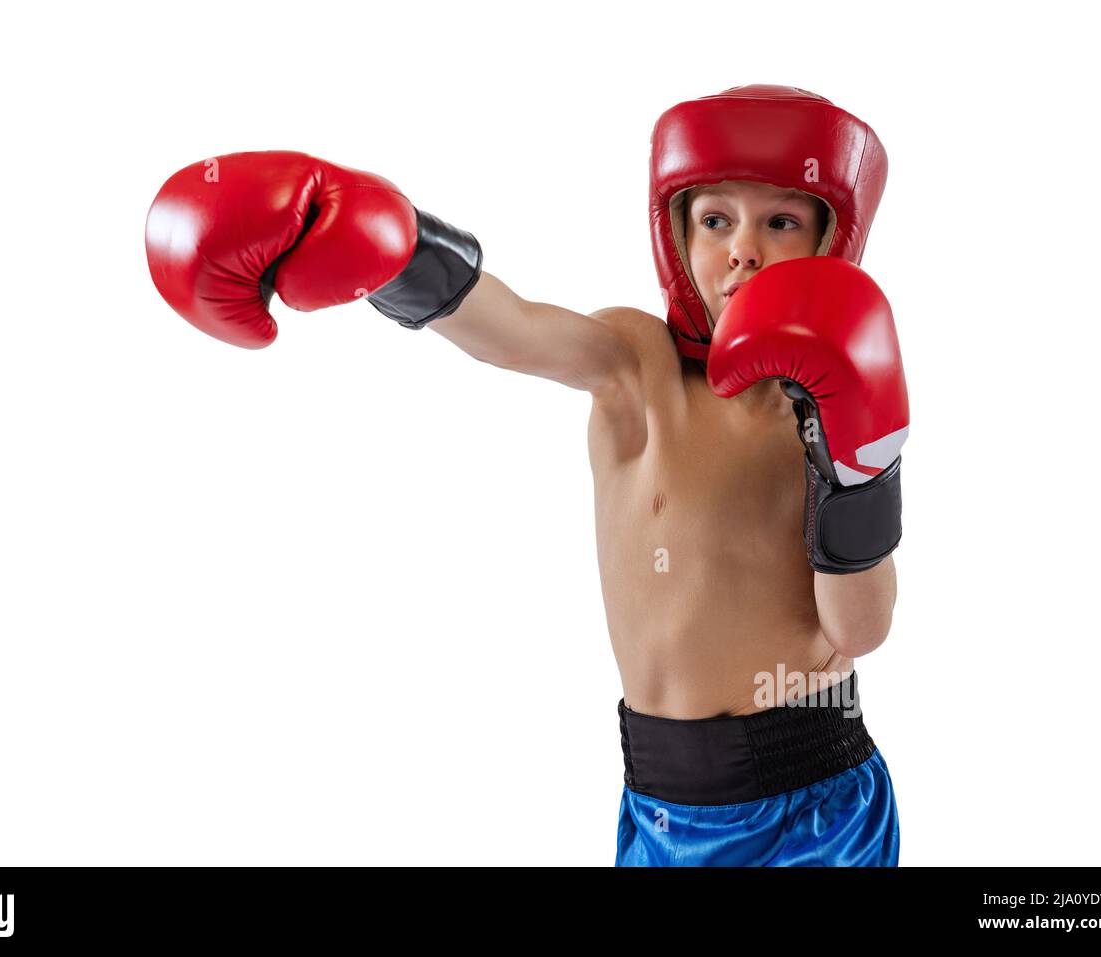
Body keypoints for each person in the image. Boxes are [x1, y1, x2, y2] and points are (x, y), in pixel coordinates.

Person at [144, 84, 907, 867]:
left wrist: (858, 471)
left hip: (817, 807)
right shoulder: (635, 364)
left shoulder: (825, 414)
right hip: (661, 807)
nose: (743, 248)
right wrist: (393, 247)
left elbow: (859, 630)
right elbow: (511, 331)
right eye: (716, 219)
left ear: (829, 241)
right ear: (676, 234)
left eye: (780, 221)